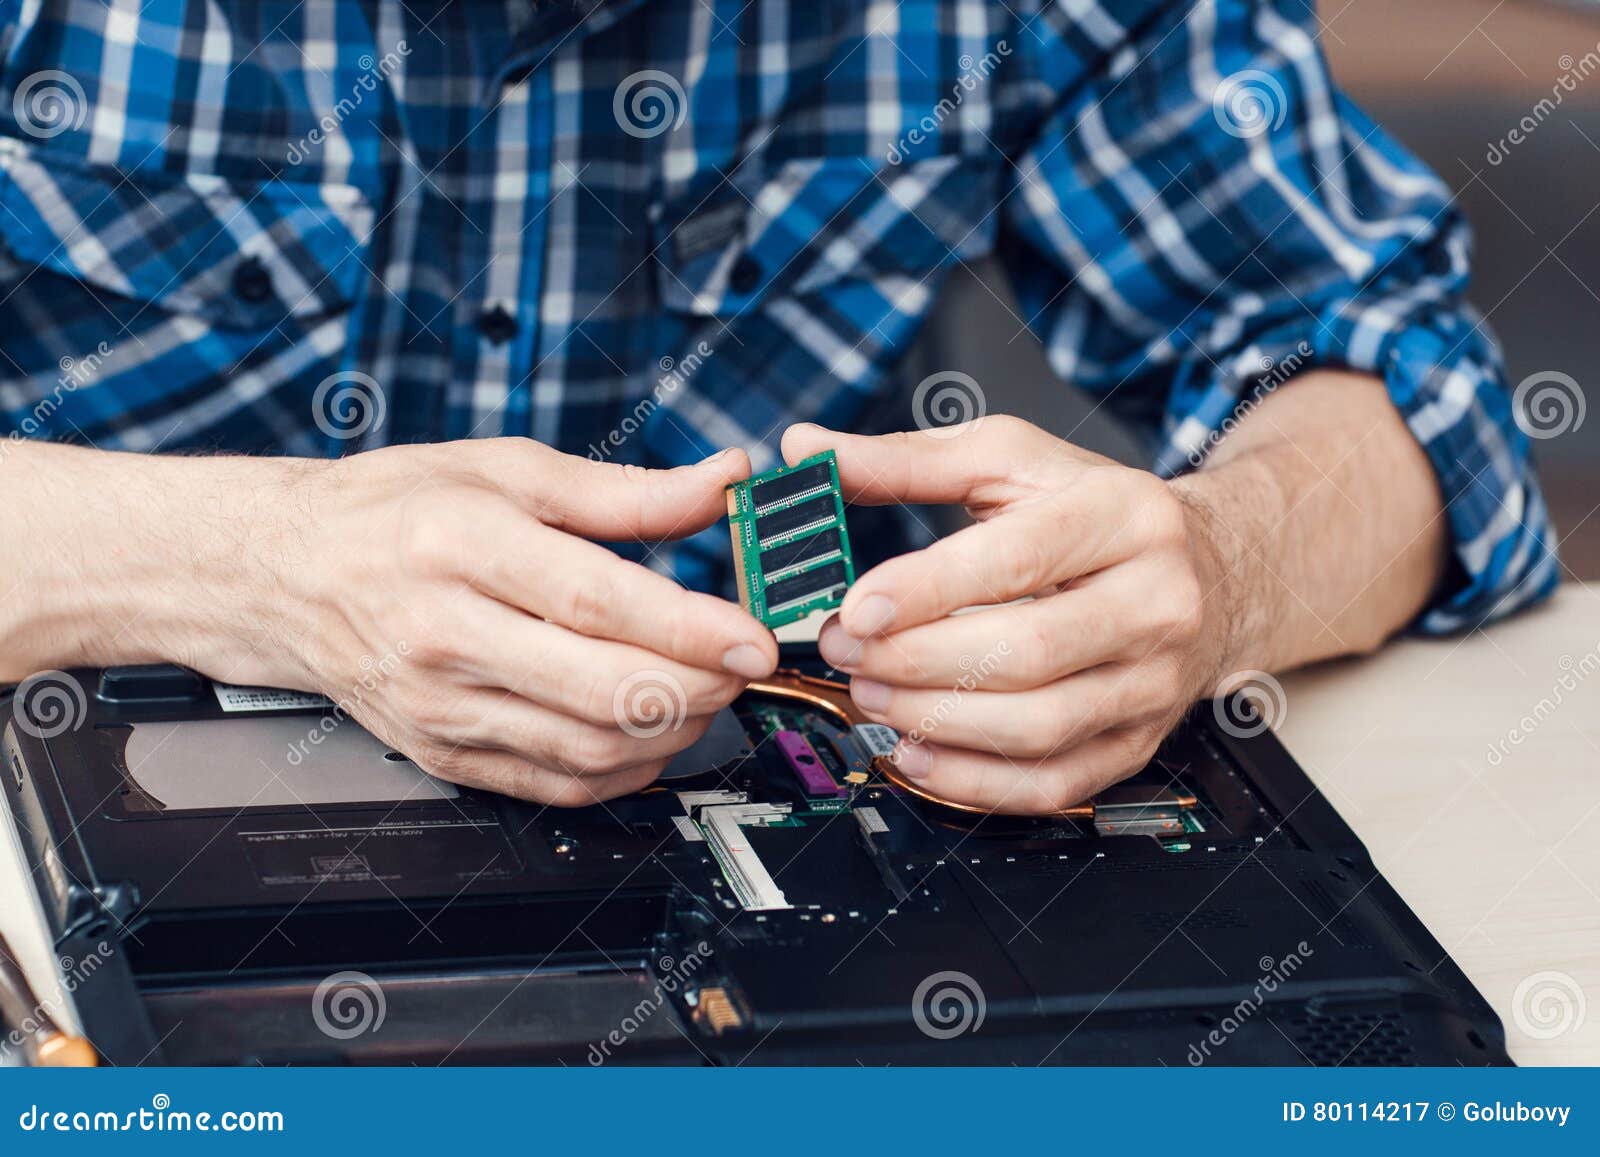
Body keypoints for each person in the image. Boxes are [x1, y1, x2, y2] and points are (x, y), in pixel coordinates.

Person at [0, 1, 1554, 814]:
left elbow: (1407, 395)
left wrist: (1218, 570)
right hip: (85, 792)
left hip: (806, 818)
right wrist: (244, 565)